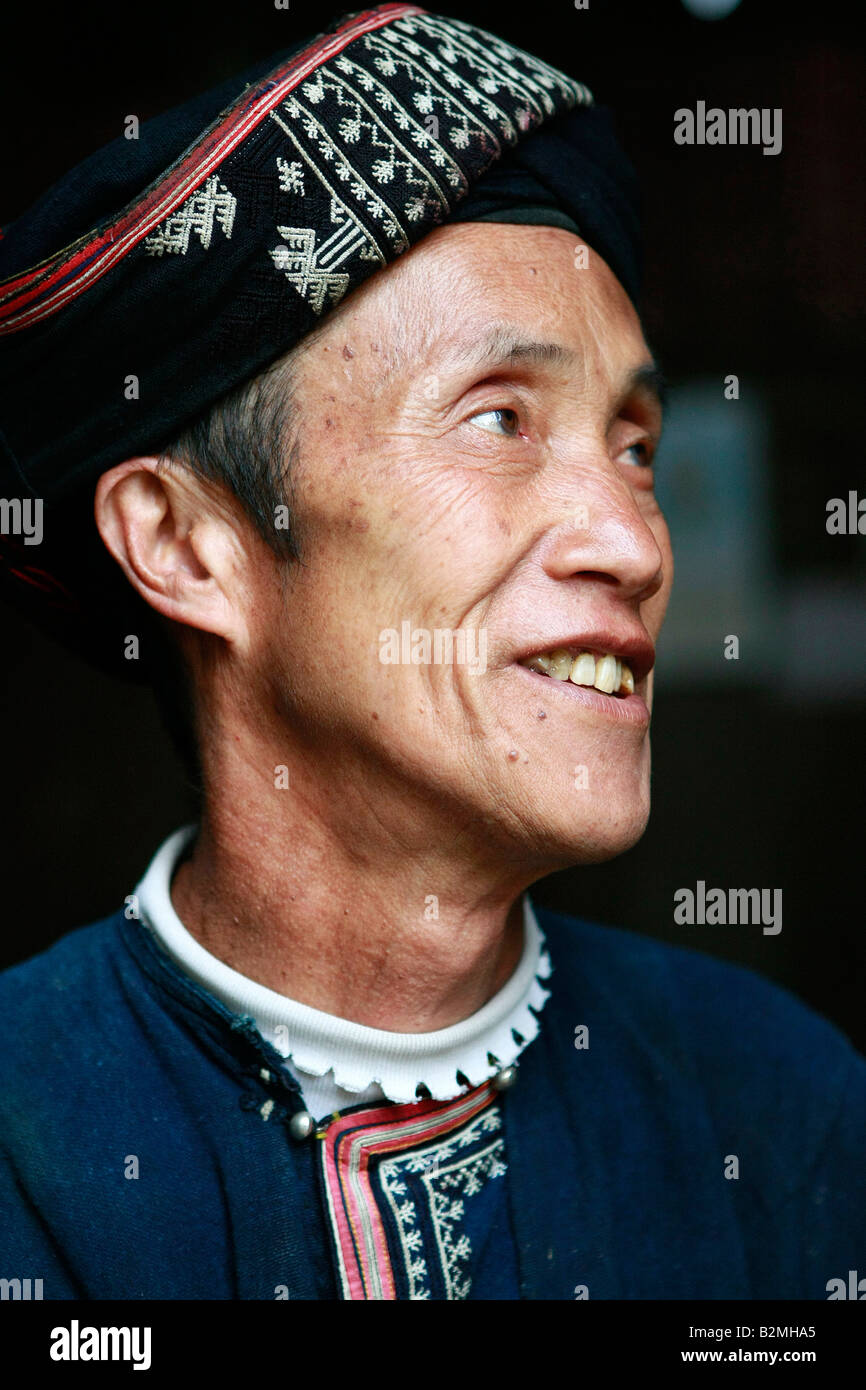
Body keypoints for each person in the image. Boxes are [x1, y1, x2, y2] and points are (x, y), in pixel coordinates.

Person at [0, 4, 863, 1301]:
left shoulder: (782, 1104)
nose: (633, 541)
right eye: (499, 420)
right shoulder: (28, 1145)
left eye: (634, 445)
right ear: (184, 546)